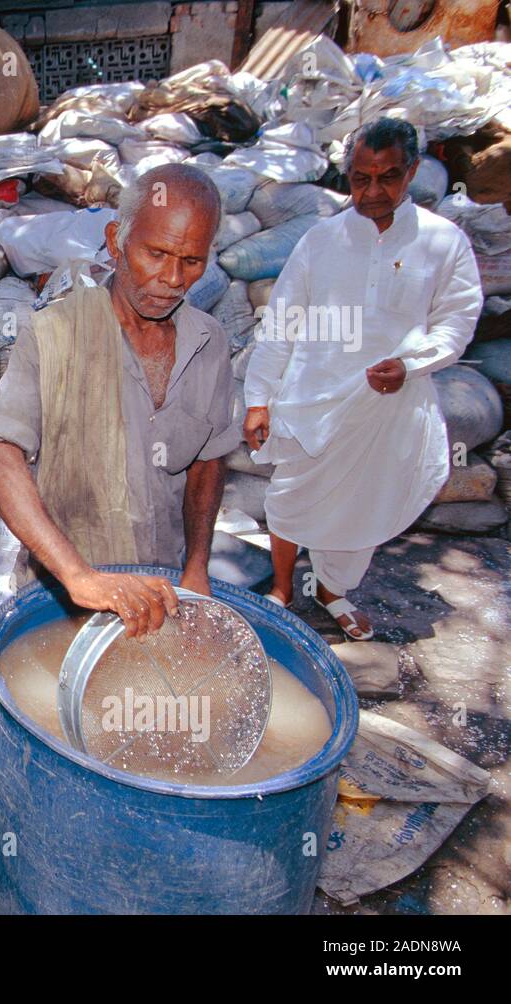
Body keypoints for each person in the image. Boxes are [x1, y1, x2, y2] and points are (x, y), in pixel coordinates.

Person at [242, 118, 482, 640]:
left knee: (364, 502)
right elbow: (281, 323)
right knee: (292, 493)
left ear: (412, 172)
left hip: (387, 406)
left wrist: (412, 364)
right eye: (360, 179)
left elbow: (458, 320)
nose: (373, 192)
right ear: (347, 174)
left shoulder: (444, 242)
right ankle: (283, 587)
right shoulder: (320, 240)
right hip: (314, 395)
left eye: (388, 177)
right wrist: (259, 398)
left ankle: (332, 591)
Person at [0, 163, 239, 635]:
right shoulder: (54, 333)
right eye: (156, 253)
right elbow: (0, 458)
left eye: (192, 261)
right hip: (61, 593)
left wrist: (196, 565)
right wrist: (78, 576)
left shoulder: (210, 342)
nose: (172, 278)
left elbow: (209, 460)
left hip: (162, 587)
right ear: (117, 239)